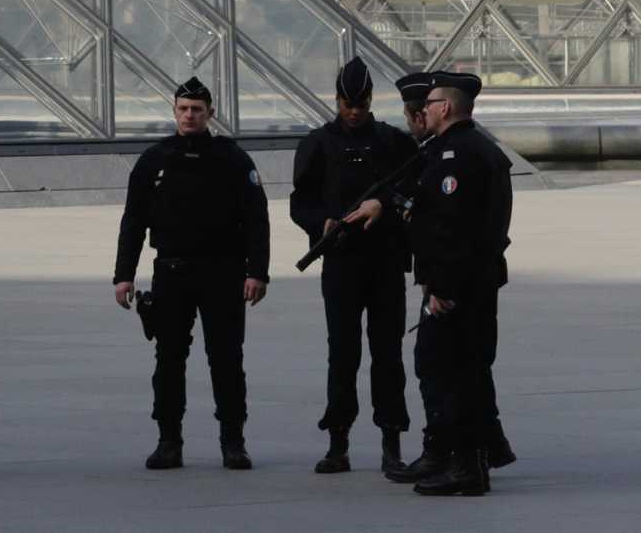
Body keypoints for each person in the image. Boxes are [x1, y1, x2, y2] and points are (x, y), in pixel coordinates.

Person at [113, 76, 271, 471]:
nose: (189, 115)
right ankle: (169, 441)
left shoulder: (233, 159)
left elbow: (257, 219)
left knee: (226, 360)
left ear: (210, 114)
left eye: (197, 110)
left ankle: (233, 442)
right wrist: (124, 275)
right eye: (183, 109)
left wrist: (258, 272)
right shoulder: (154, 160)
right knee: (168, 359)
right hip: (172, 270)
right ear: (174, 111)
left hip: (223, 272)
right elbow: (133, 221)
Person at [291, 56, 418, 475]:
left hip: (384, 263)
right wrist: (321, 223)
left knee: (388, 355)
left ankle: (391, 442)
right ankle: (338, 442)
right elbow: (300, 202)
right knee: (342, 354)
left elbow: (416, 186)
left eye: (361, 103)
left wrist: (383, 204)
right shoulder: (318, 143)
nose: (354, 111)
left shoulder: (394, 143)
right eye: (348, 103)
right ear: (338, 99)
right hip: (341, 262)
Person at [399, 69, 514, 497]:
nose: (422, 111)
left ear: (444, 107)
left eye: (428, 104)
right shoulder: (475, 149)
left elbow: (453, 230)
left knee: (451, 370)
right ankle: (472, 456)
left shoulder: (456, 157)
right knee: (463, 369)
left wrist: (441, 287)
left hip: (459, 286)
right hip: (476, 282)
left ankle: (464, 464)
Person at [380, 68, 441, 489]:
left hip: (446, 284)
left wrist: (439, 285)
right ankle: (460, 451)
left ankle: (454, 455)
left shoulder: (446, 156)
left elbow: (445, 227)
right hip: (439, 278)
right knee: (438, 366)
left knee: (442, 367)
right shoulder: (433, 153)